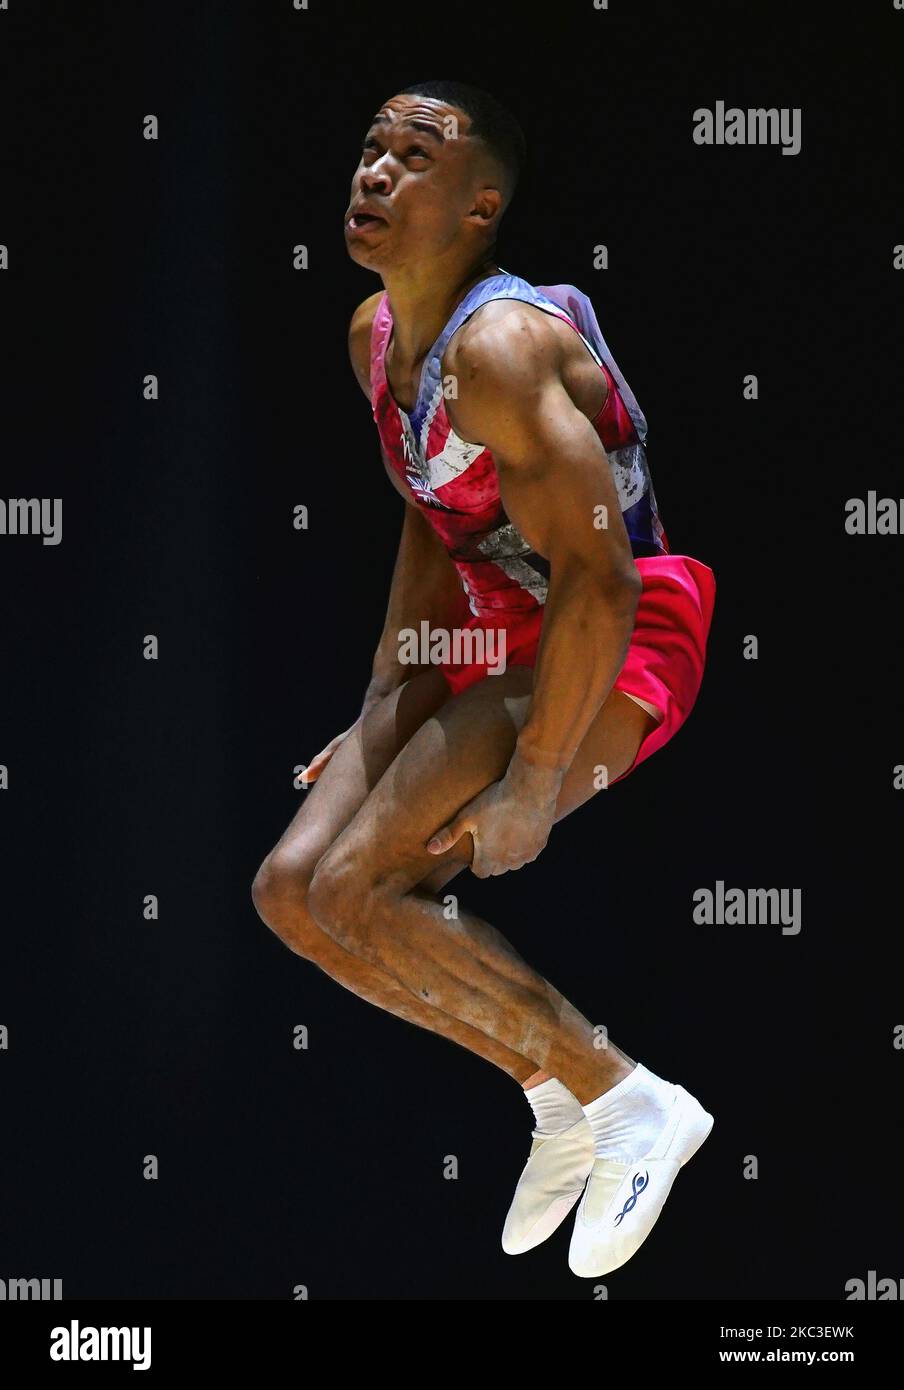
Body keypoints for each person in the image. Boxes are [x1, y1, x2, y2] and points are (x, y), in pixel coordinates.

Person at [252, 79, 716, 1278]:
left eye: (416, 155)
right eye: (370, 148)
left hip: (613, 631)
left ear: (479, 208)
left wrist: (536, 780)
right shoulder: (375, 340)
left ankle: (630, 1095)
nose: (376, 170)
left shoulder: (503, 348)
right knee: (294, 891)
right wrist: (376, 712)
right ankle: (553, 1088)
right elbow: (429, 522)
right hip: (492, 629)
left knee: (362, 888)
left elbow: (602, 580)